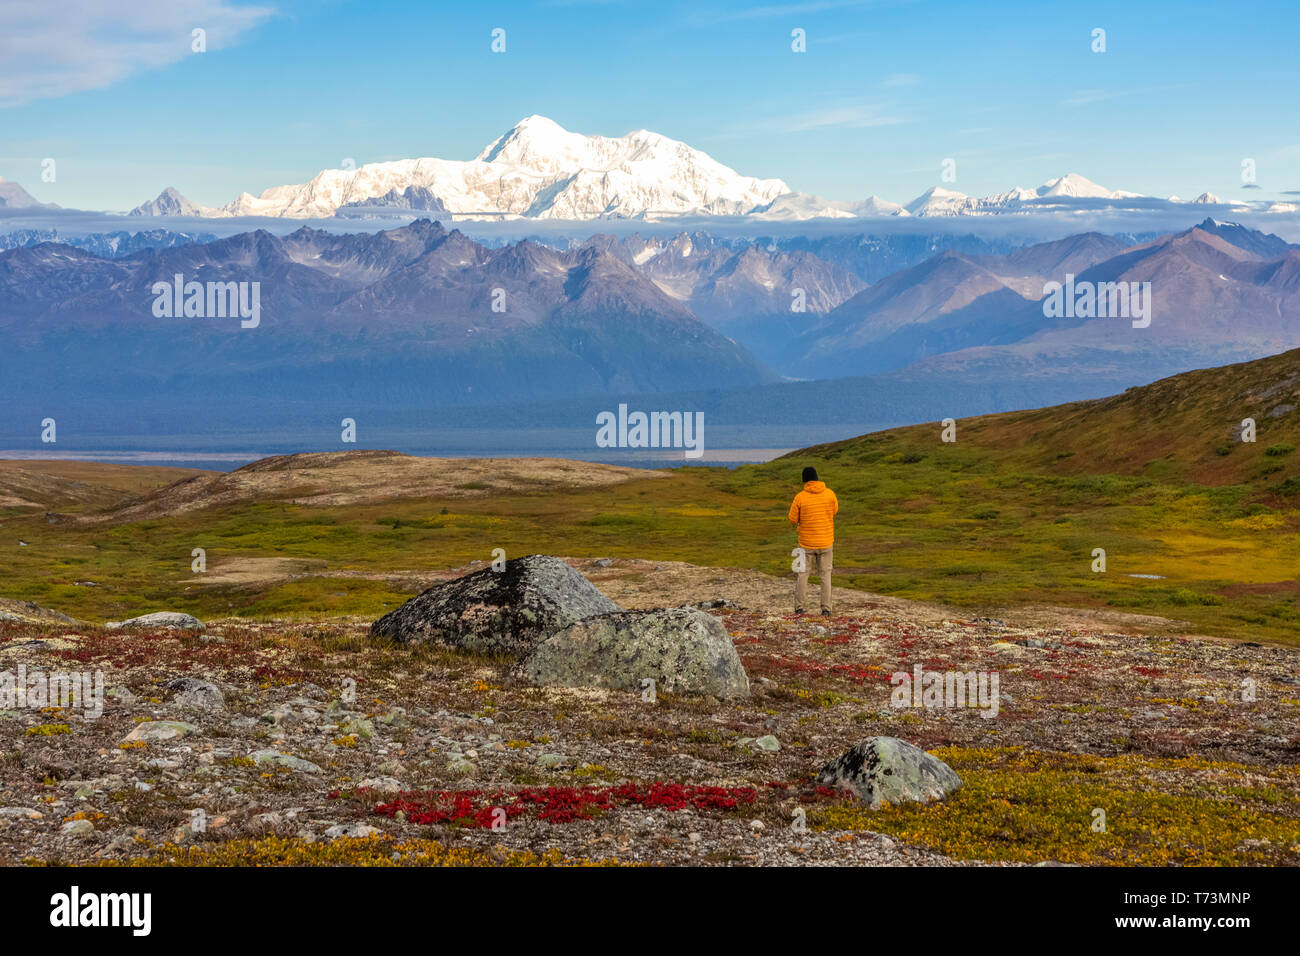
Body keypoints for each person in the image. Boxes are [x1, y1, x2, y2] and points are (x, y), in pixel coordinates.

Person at [788, 466, 838, 616]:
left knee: (802, 574)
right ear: (817, 478)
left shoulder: (800, 497)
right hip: (826, 543)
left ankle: (800, 608)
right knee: (825, 575)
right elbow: (835, 511)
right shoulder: (830, 494)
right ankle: (826, 609)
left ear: (804, 480)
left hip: (805, 544)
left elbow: (792, 519)